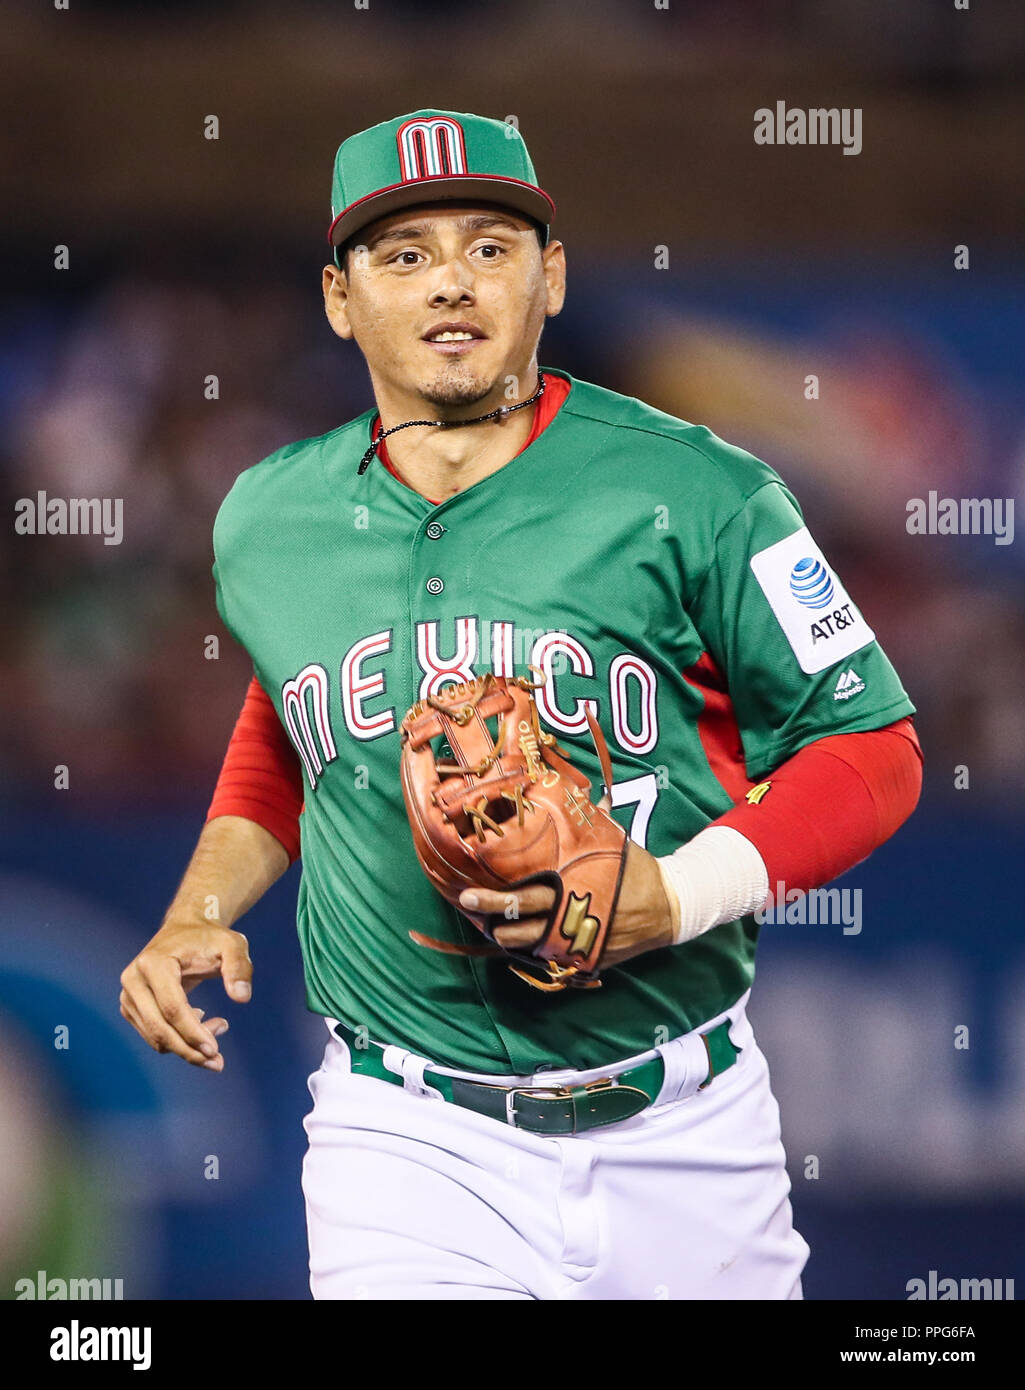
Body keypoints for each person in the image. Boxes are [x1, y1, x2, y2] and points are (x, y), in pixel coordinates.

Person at [119, 109, 923, 1300]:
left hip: (687, 1134)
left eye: (489, 247)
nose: (450, 282)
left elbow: (872, 748)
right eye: (404, 255)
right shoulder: (268, 520)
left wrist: (675, 893)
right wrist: (198, 906)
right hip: (406, 1137)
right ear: (339, 298)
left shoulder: (699, 491)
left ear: (548, 277)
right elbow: (296, 719)